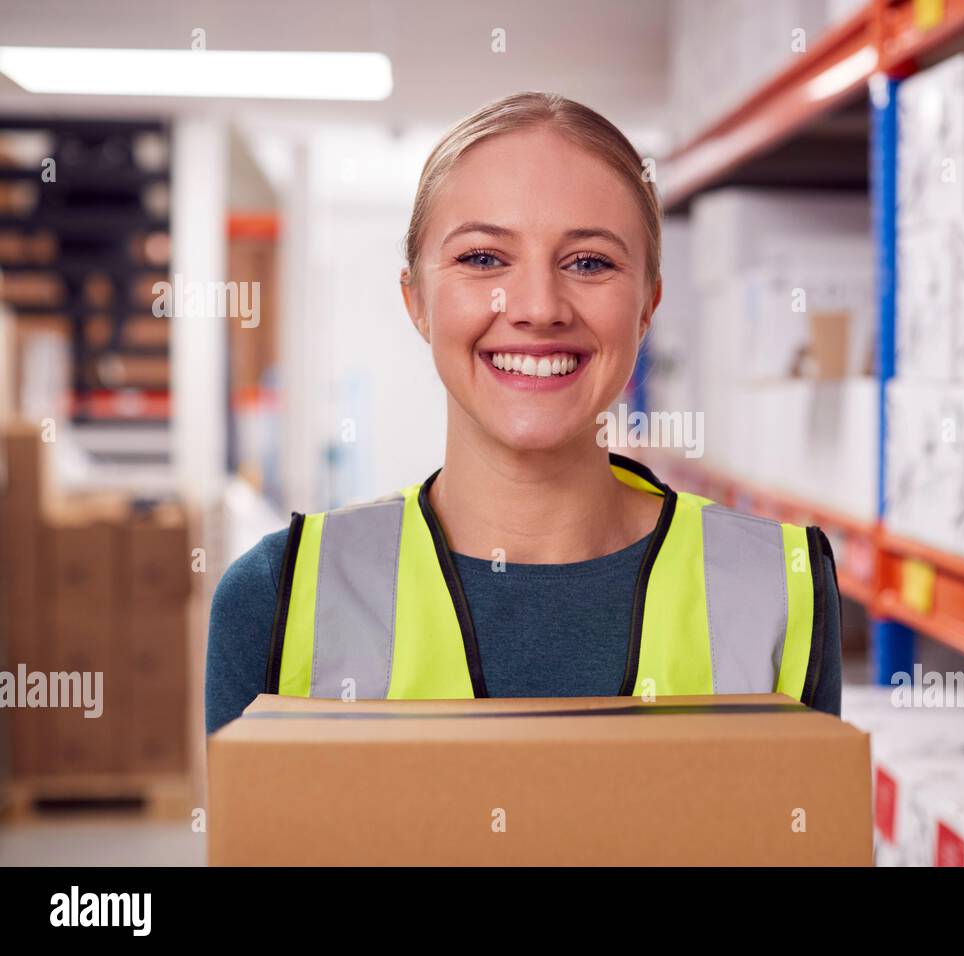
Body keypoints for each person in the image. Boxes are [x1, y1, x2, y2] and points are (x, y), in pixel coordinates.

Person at [205, 92, 843, 734]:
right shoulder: (278, 599)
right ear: (416, 301)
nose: (538, 307)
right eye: (483, 259)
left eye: (589, 262)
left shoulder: (780, 589)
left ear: (647, 305)